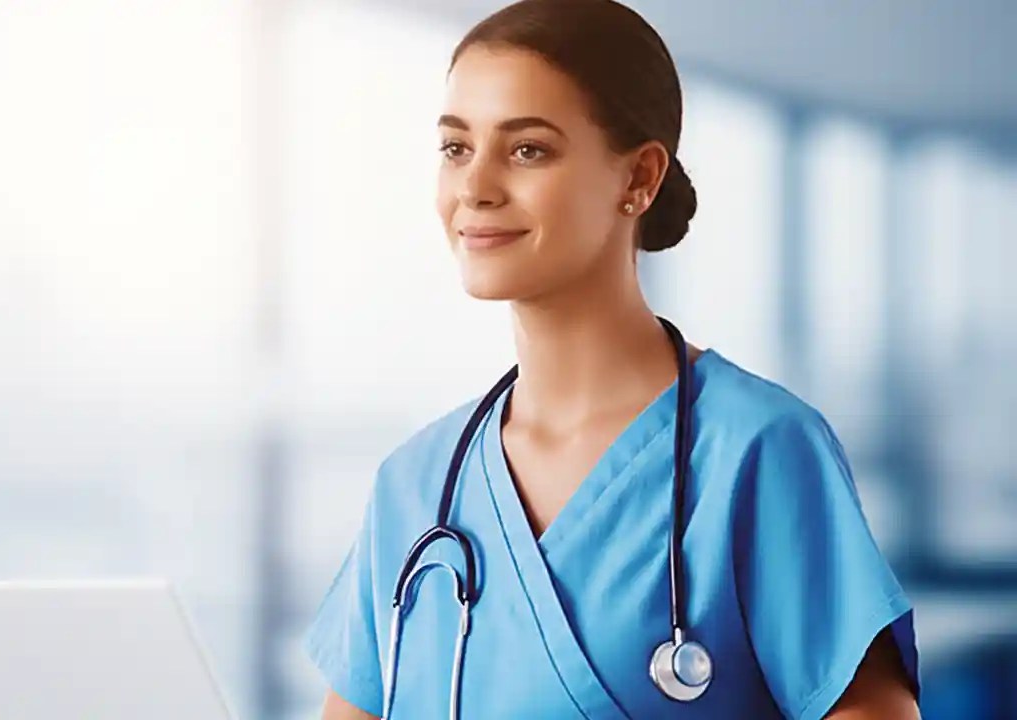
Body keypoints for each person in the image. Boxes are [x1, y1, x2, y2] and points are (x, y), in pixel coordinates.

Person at [303, 1, 920, 717]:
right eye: (455, 148)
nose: (475, 187)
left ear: (638, 180)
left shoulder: (754, 450)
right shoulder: (415, 486)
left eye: (527, 149)